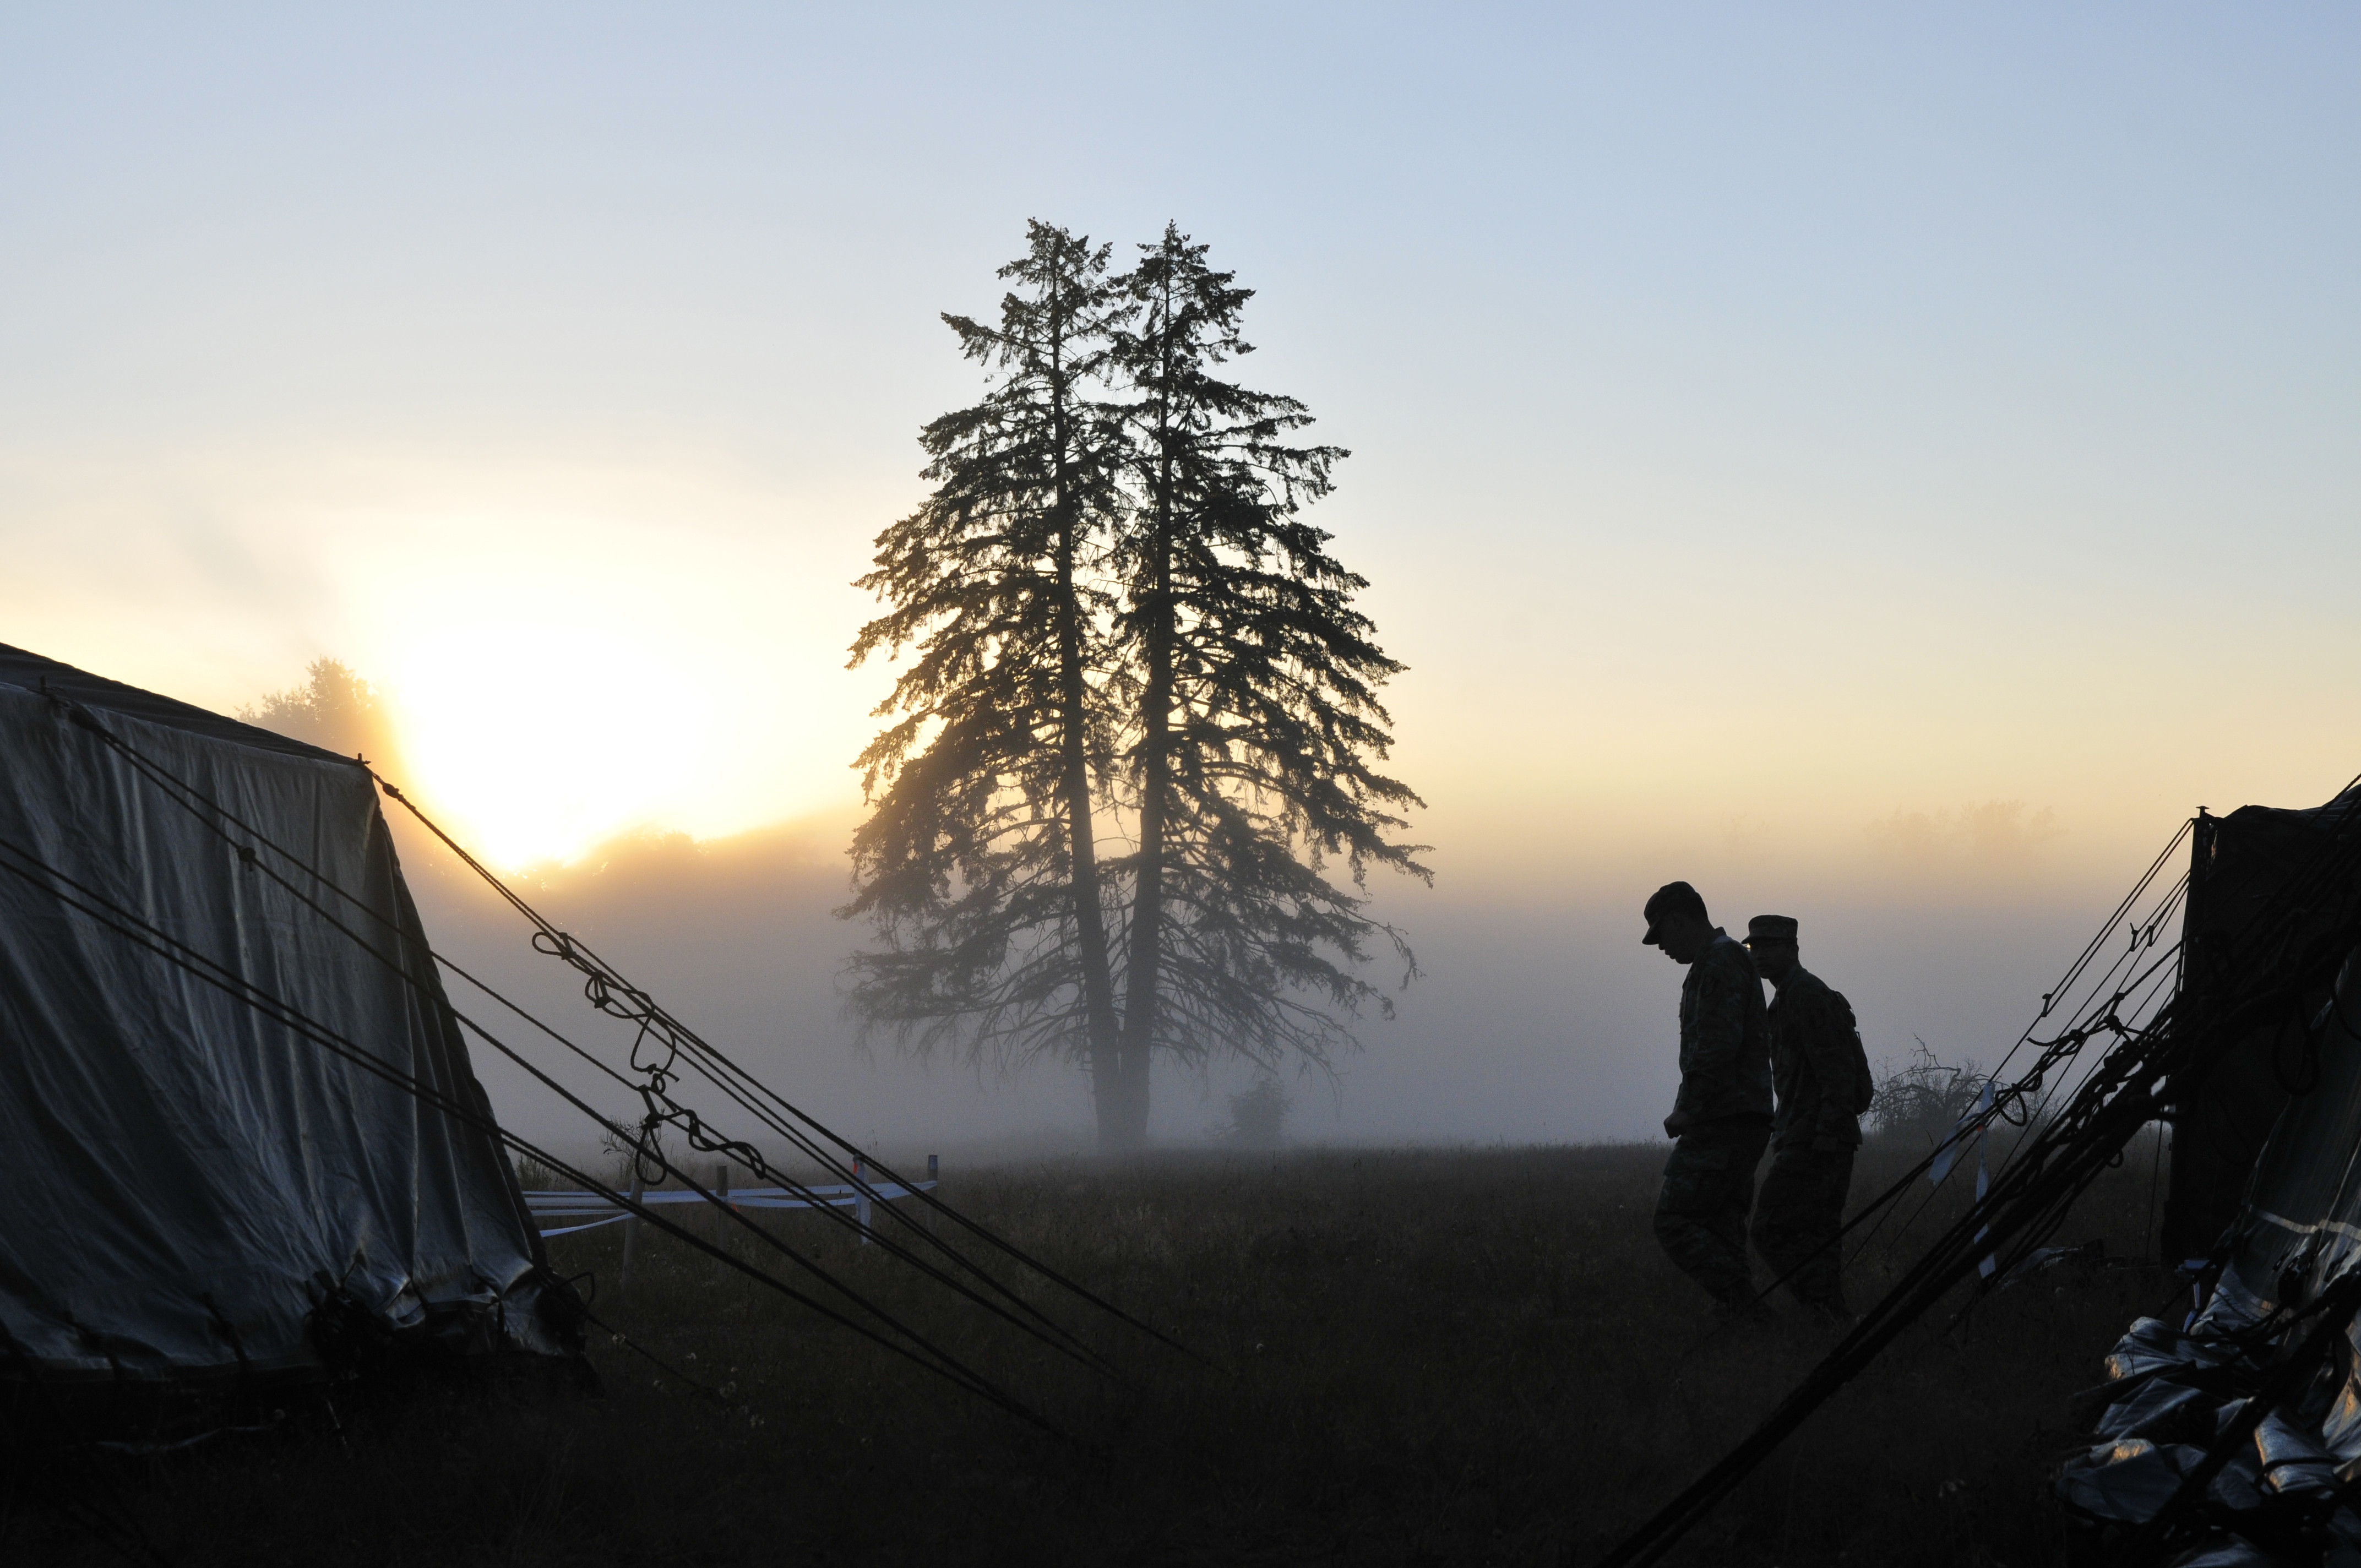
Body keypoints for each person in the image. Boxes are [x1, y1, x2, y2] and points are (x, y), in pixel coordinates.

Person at [1641, 880, 1774, 1320]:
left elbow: (1717, 1044)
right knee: (1722, 1224)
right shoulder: (1721, 960)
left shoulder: (1720, 961)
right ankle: (1745, 1322)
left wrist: (1689, 1108)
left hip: (1724, 1117)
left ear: (1678, 920)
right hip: (1738, 1115)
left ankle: (1746, 1306)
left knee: (1674, 1220)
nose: (1661, 947)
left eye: (1661, 935)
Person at [1744, 914, 1875, 1325]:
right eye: (1755, 947)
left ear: (1793, 949)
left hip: (1817, 1138)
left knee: (1770, 1228)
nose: (1760, 955)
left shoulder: (1806, 994)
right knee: (1817, 1234)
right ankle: (1831, 1318)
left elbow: (1837, 1073)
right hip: (1804, 1133)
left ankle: (1823, 1309)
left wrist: (1826, 1136)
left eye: (1770, 946)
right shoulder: (1788, 997)